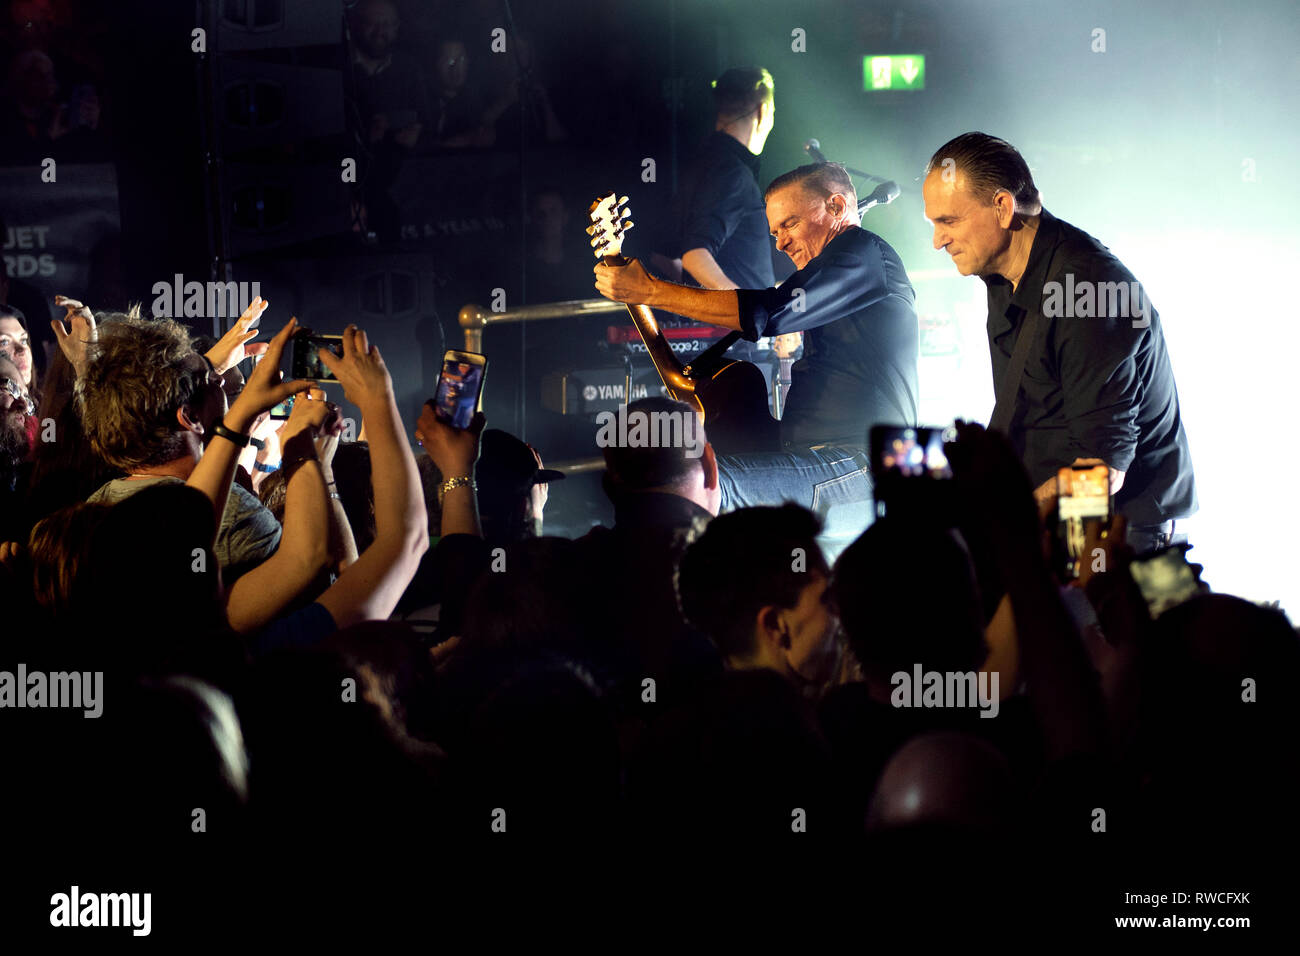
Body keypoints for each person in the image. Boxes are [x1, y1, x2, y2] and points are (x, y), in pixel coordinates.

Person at [595, 161, 919, 551]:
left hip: (868, 470)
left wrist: (649, 290)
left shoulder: (865, 252)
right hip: (818, 463)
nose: (780, 243)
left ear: (836, 206)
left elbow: (771, 313)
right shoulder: (833, 274)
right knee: (686, 480)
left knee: (698, 490)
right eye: (774, 232)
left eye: (790, 224)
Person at [921, 132, 1196, 553]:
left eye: (949, 221)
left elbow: (1101, 474)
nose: (937, 241)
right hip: (1061, 524)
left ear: (1002, 207)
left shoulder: (1086, 288)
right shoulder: (1001, 269)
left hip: (1123, 539)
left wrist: (1008, 523)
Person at [670, 67, 777, 291]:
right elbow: (694, 255)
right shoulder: (733, 173)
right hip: (734, 326)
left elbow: (665, 255)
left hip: (715, 322)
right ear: (763, 111)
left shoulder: (699, 163)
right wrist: (749, 310)